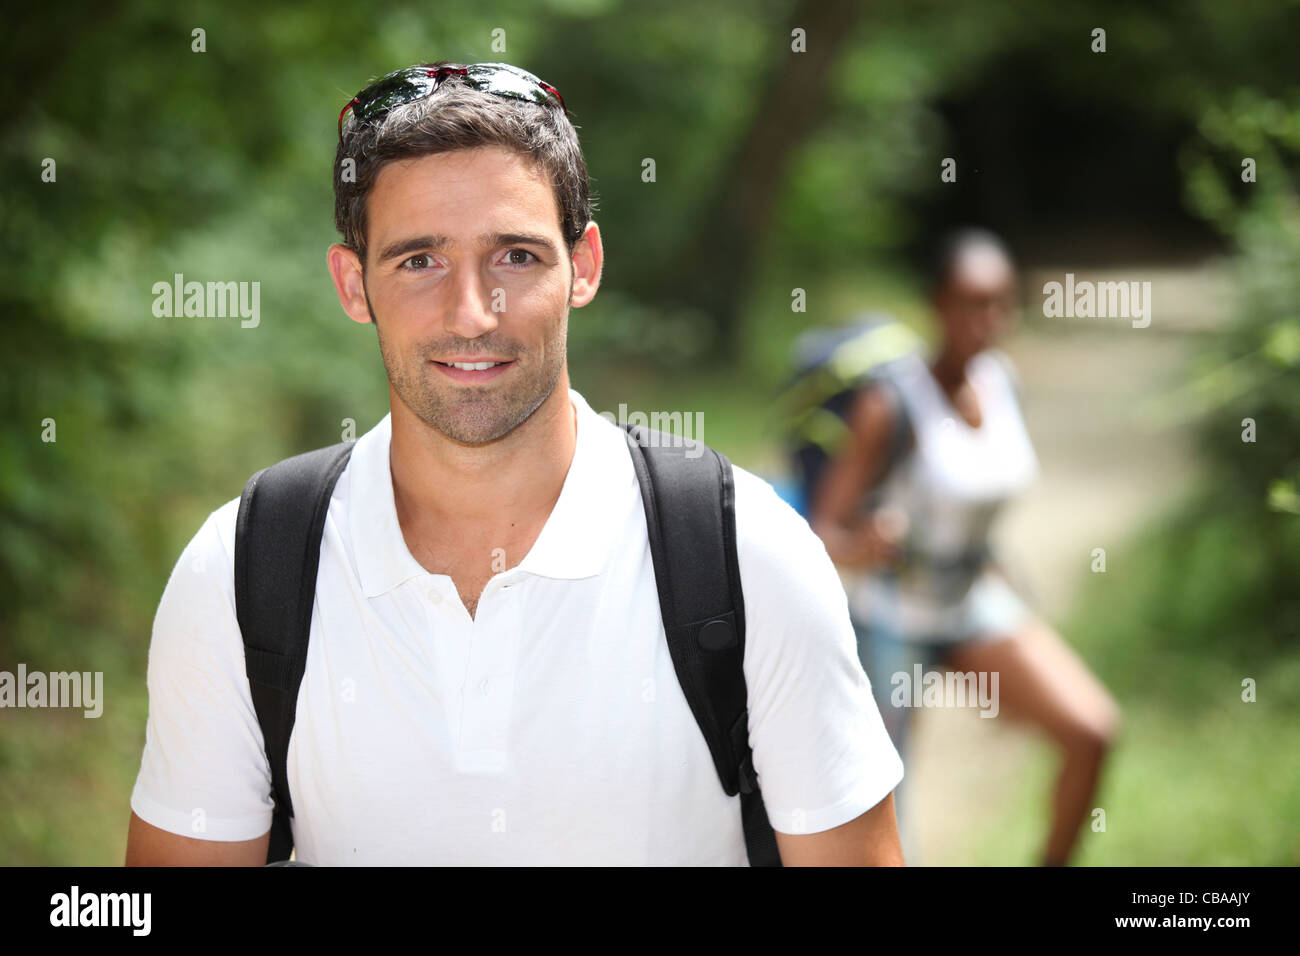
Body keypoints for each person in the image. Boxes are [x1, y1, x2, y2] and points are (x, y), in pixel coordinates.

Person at [124, 61, 905, 865]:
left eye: (516, 257)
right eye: (418, 260)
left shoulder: (749, 555)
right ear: (353, 285)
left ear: (585, 265)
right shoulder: (242, 568)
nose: (471, 314)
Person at [809, 228, 1122, 867]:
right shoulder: (889, 401)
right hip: (892, 618)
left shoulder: (1003, 382)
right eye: (971, 302)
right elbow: (823, 529)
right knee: (884, 810)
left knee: (1091, 731)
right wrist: (864, 543)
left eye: (1001, 303)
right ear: (936, 305)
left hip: (973, 603)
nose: (988, 320)